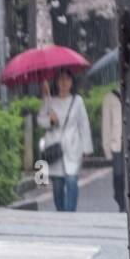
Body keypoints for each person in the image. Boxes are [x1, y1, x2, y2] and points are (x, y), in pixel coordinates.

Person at [37, 68, 92, 212]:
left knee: (72, 180)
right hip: (54, 147)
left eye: (67, 79)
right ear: (56, 82)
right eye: (60, 79)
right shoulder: (49, 101)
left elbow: (83, 124)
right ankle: (61, 213)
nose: (64, 82)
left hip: (73, 145)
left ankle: (70, 213)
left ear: (72, 82)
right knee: (58, 185)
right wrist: (50, 119)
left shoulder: (77, 101)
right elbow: (40, 121)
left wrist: (87, 148)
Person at [102, 85, 125, 212]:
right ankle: (121, 202)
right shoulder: (110, 98)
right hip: (117, 145)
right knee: (118, 176)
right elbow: (106, 125)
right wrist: (107, 148)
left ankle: (126, 205)